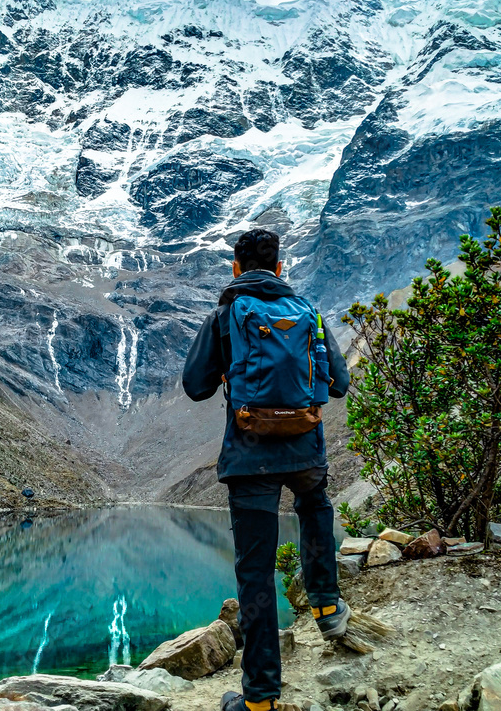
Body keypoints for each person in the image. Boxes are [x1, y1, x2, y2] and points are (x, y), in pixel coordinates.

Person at [182, 228, 351, 711]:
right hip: (305, 448)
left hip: (250, 456)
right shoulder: (309, 312)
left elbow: (195, 387)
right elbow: (338, 384)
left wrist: (229, 368)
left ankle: (259, 698)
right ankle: (325, 602)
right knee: (315, 503)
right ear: (281, 269)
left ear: (236, 269)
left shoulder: (225, 315)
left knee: (254, 576)